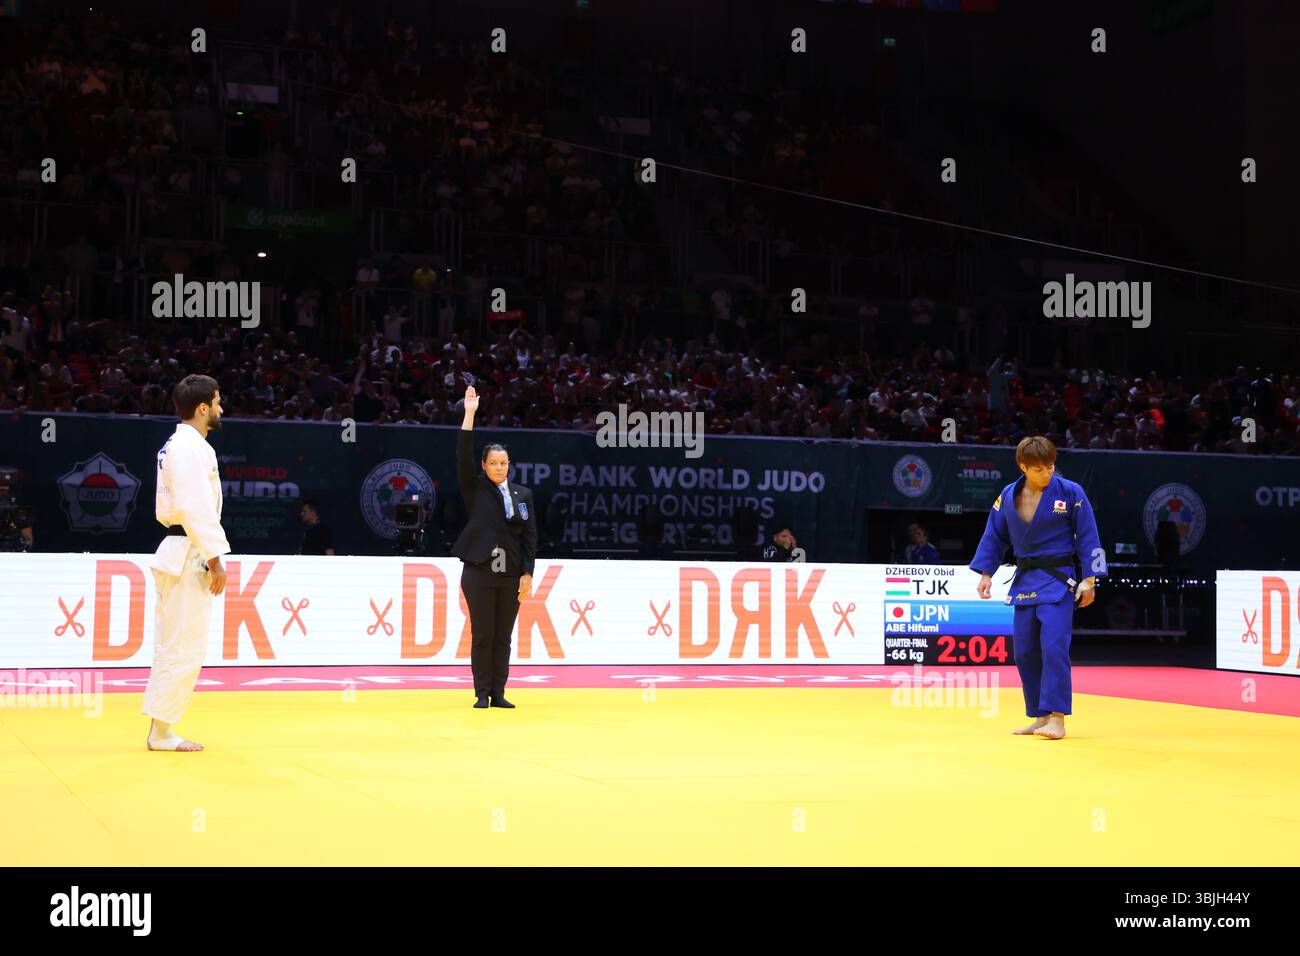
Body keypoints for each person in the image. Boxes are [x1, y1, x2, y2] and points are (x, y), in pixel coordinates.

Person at [969, 436, 1105, 740]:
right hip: (1026, 579)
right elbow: (994, 535)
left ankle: (1057, 717)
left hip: (1059, 578)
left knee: (1054, 646)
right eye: (1040, 469)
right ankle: (1039, 715)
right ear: (1023, 467)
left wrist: (1090, 578)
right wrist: (986, 572)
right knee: (1026, 651)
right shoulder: (1008, 495)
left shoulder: (1071, 492)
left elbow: (1088, 536)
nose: (1048, 473)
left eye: (1051, 466)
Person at [144, 374, 230, 752]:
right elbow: (196, 507)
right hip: (188, 551)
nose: (220, 408)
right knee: (185, 647)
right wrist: (216, 560)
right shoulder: (191, 447)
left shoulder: (178, 444)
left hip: (179, 549)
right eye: (217, 401)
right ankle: (161, 732)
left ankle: (159, 728)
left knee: (174, 644)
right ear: (202, 408)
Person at [452, 385, 537, 709]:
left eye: (504, 463)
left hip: (511, 575)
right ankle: (482, 693)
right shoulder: (475, 491)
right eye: (494, 463)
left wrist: (528, 572)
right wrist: (469, 415)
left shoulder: (523, 495)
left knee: (504, 638)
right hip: (479, 573)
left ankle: (499, 692)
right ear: (485, 466)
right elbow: (462, 455)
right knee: (483, 636)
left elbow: (530, 537)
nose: (500, 467)